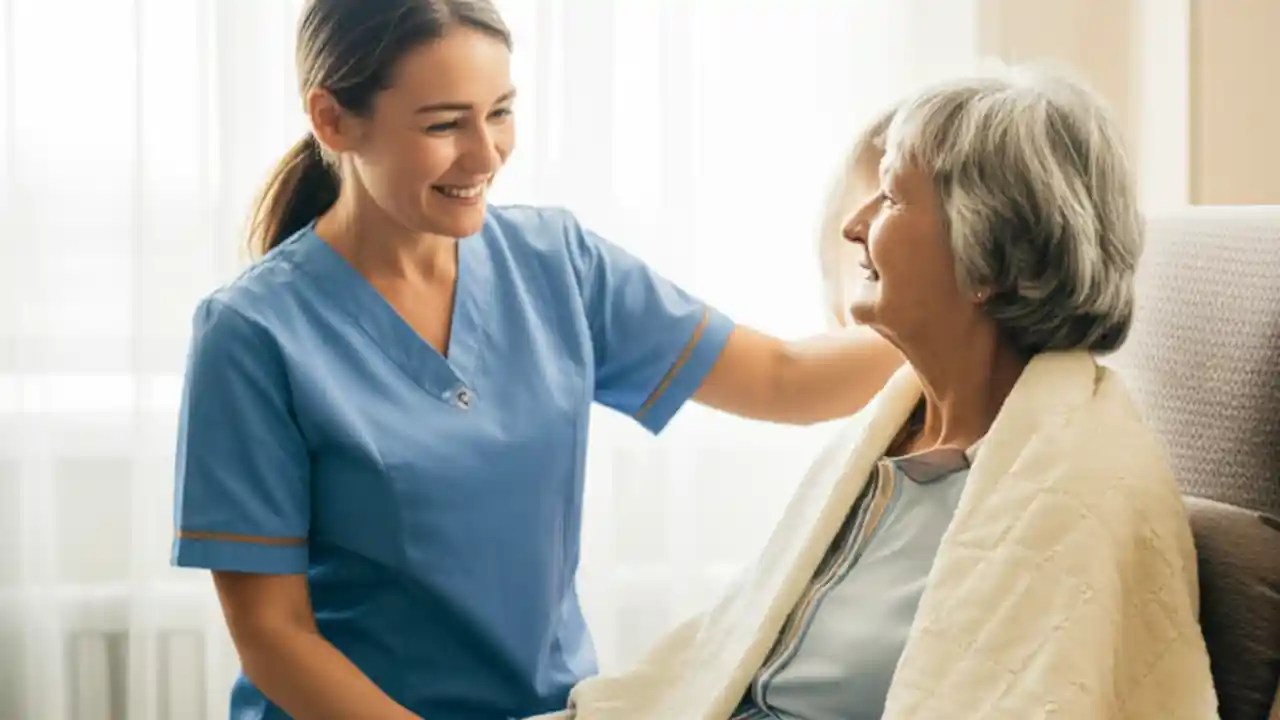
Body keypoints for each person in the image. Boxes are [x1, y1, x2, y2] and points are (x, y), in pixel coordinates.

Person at [169, 1, 905, 718]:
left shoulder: (556, 264)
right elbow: (274, 638)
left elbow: (784, 379)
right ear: (332, 120)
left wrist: (957, 317)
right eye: (444, 124)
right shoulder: (252, 333)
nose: (486, 154)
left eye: (500, 112)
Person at [533, 68, 1219, 720]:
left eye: (890, 197)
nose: (854, 225)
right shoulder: (891, 437)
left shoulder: (1077, 484)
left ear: (989, 256)